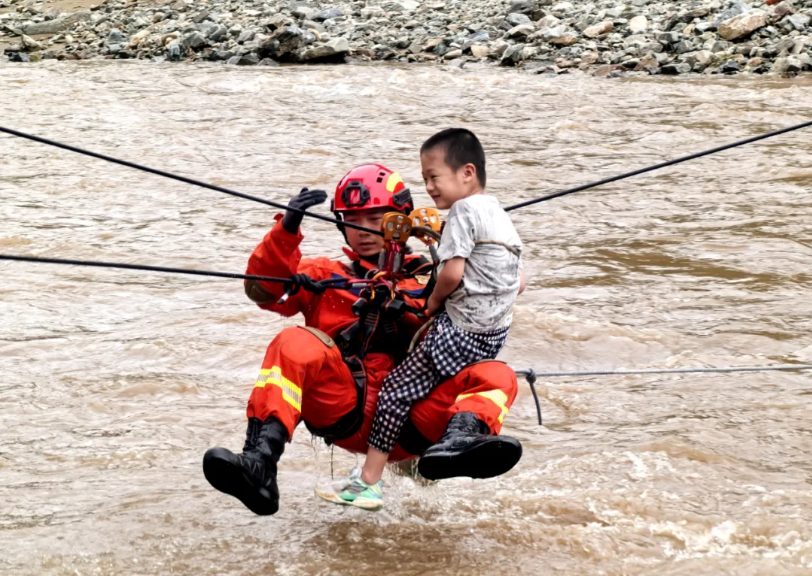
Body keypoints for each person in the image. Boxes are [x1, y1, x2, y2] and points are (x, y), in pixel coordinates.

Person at [202, 163, 523, 516]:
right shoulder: (324, 274)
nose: (364, 231)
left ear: (400, 220)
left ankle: (457, 445)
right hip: (343, 407)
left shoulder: (436, 276)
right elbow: (262, 291)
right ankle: (260, 462)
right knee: (292, 342)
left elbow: (499, 290)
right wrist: (286, 229)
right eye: (354, 220)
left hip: (415, 420)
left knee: (499, 375)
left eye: (376, 220)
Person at [317, 129, 525, 511]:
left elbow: (450, 274)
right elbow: (519, 280)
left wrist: (432, 303)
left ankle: (368, 482)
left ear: (466, 173)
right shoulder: (498, 213)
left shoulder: (462, 212)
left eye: (434, 176)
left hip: (457, 334)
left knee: (397, 391)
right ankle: (451, 444)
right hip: (492, 335)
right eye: (425, 178)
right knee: (449, 386)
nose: (428, 186)